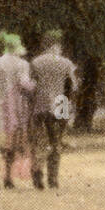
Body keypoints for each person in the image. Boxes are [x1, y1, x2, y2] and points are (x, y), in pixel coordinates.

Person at [0, 33, 36, 190]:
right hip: (14, 110)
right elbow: (24, 84)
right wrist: (36, 87)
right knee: (11, 146)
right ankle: (8, 179)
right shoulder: (22, 64)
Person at [29, 31, 78, 191]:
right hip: (61, 103)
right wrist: (68, 106)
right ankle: (53, 179)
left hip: (40, 104)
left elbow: (30, 86)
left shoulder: (36, 62)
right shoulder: (67, 63)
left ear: (45, 46)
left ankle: (37, 177)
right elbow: (73, 86)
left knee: (39, 142)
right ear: (57, 46)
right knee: (56, 142)